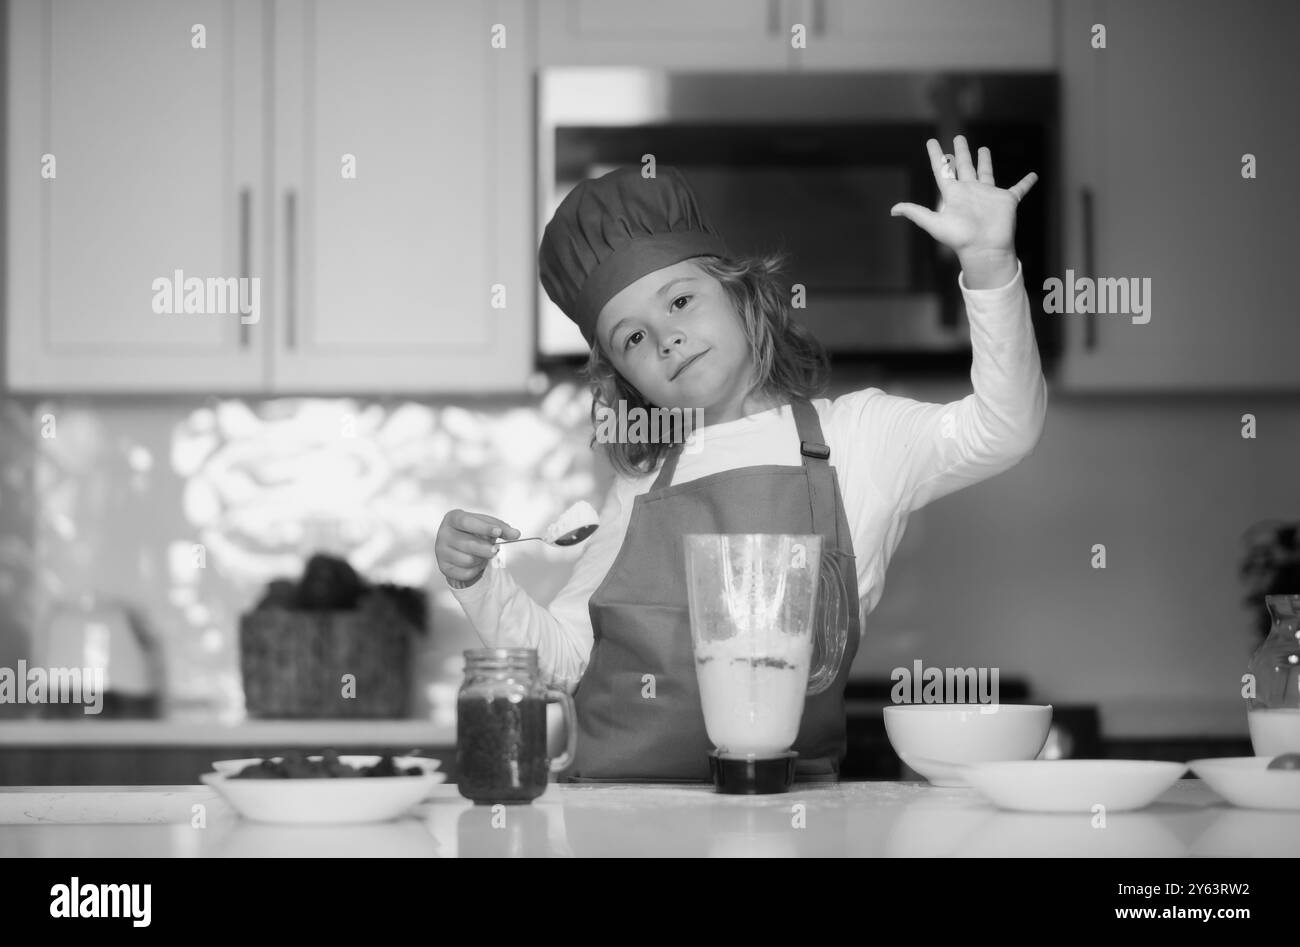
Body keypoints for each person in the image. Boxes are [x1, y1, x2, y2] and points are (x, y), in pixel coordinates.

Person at [436, 137, 1047, 782]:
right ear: (625, 379)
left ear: (739, 292)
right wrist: (477, 581)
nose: (666, 337)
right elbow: (562, 659)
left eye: (679, 301)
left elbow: (1004, 427)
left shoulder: (858, 437)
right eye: (633, 337)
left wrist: (988, 265)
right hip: (618, 823)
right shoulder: (639, 487)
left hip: (787, 816)